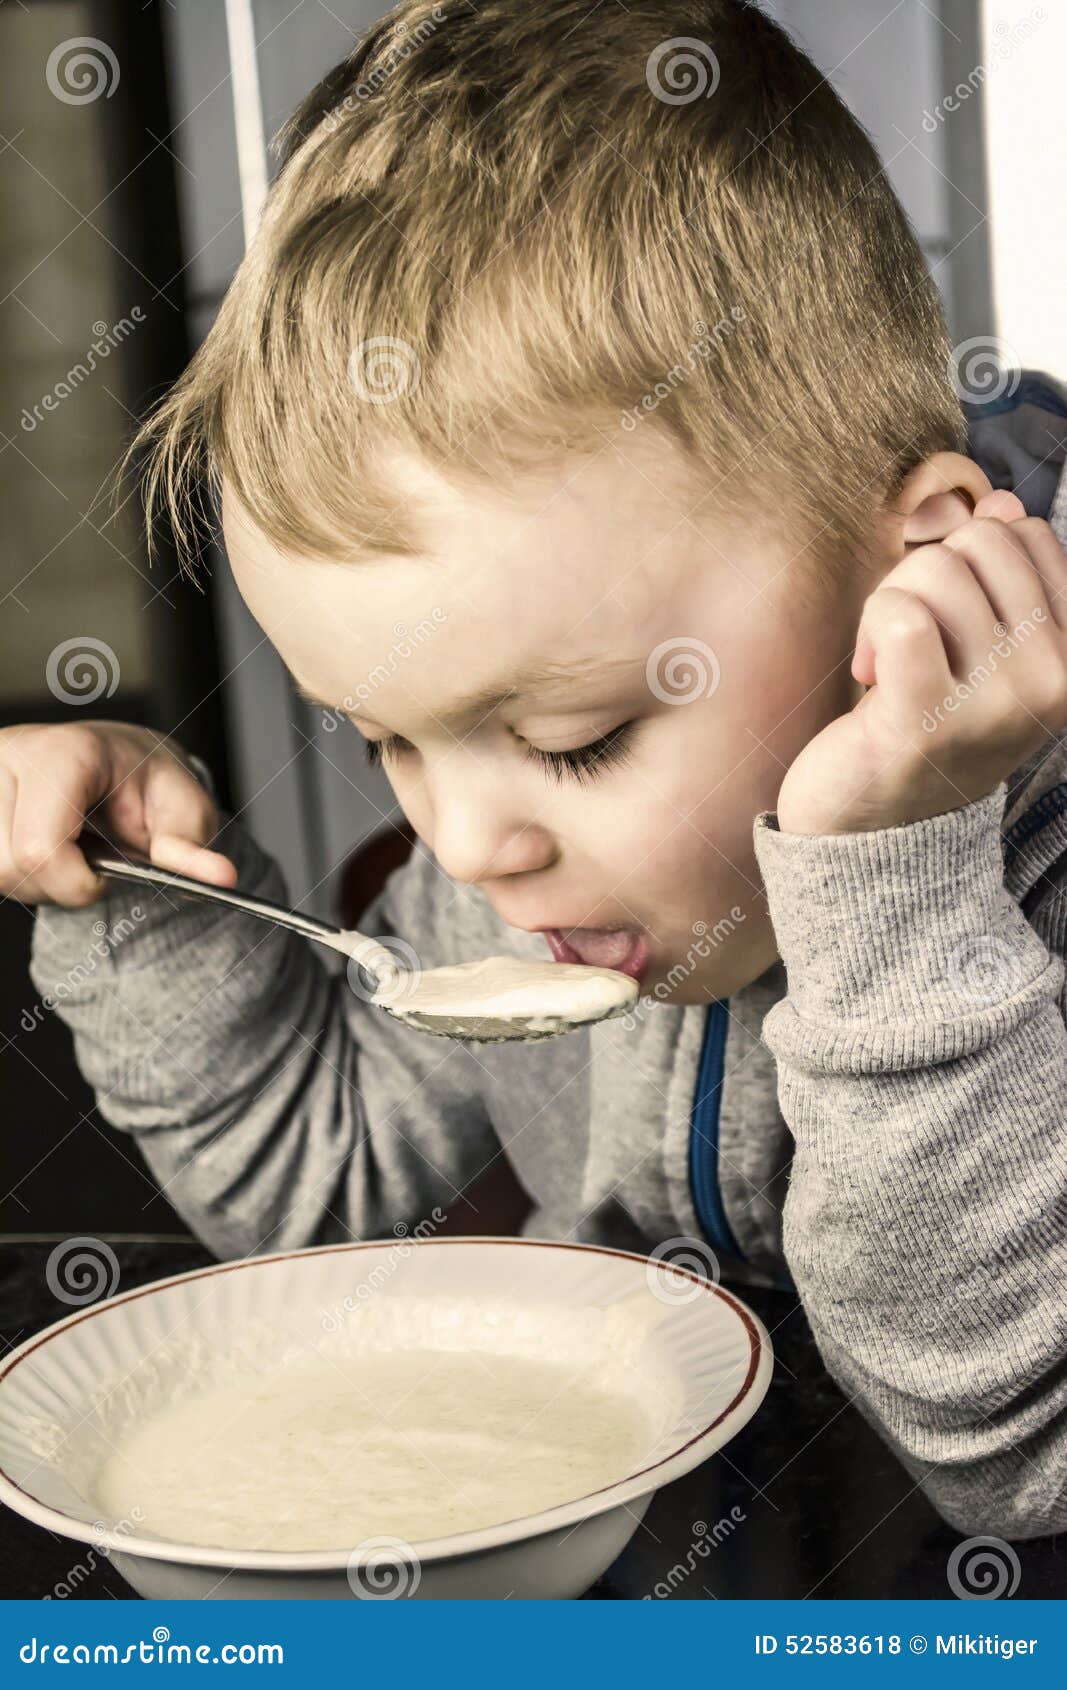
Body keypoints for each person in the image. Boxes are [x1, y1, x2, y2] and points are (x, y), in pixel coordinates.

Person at [6, 0, 1067, 1541]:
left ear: (908, 570)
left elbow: (1025, 1455)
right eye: (385, 737)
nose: (464, 843)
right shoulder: (527, 867)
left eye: (578, 738)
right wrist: (138, 899)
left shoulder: (1034, 858)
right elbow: (331, 1189)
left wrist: (897, 877)